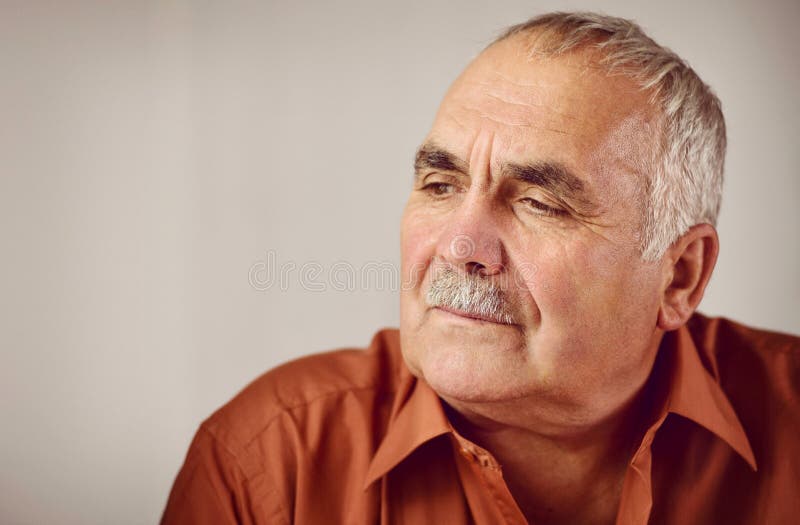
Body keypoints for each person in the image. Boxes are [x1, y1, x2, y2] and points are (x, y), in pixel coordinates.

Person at [161, 12, 799, 525]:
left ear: (680, 275)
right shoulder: (271, 463)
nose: (461, 245)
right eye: (440, 184)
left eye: (540, 203)